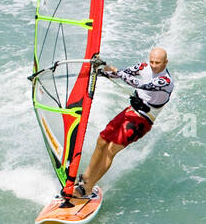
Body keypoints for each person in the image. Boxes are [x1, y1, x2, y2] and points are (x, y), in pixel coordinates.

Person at [60, 46, 174, 204]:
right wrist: (102, 71)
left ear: (165, 62)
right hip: (130, 111)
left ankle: (88, 188)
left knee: (111, 150)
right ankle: (85, 177)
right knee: (101, 140)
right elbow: (124, 72)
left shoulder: (165, 81)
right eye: (152, 61)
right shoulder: (143, 67)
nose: (154, 65)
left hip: (142, 120)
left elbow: (140, 85)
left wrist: (118, 73)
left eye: (158, 63)